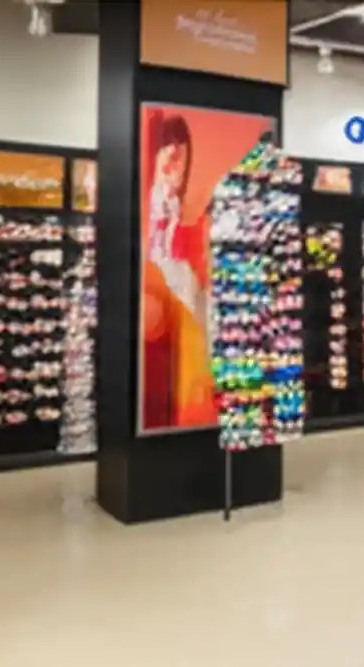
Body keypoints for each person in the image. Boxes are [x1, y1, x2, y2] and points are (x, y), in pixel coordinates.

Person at [140, 113, 215, 430]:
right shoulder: (151, 206)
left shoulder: (178, 216)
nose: (175, 172)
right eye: (169, 158)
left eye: (181, 162)